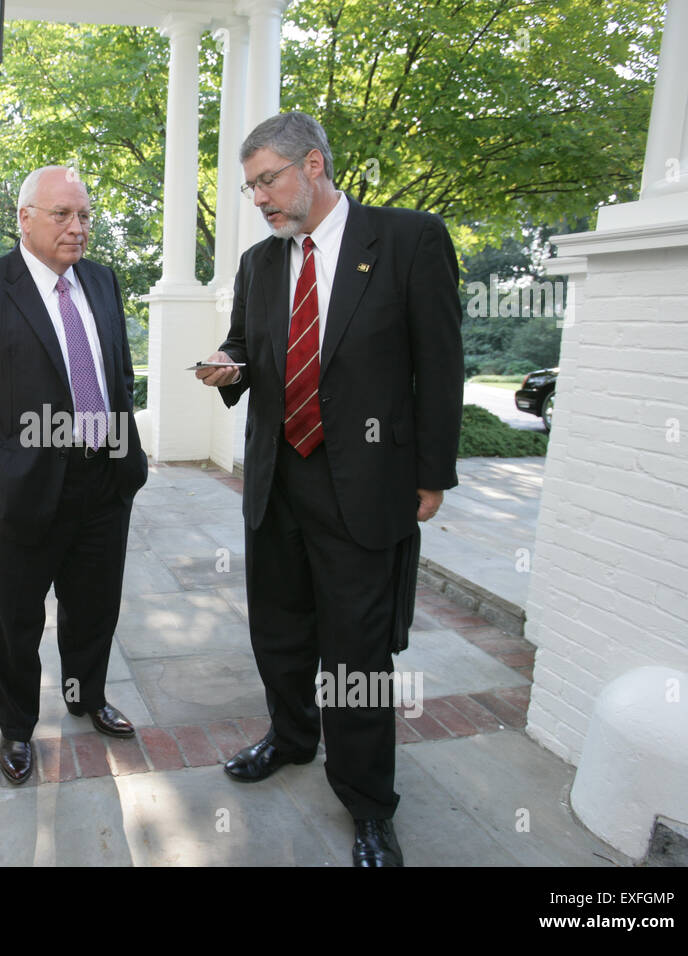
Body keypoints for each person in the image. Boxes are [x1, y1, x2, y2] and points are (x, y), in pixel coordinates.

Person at [196, 112, 463, 866]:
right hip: (278, 483)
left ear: (313, 165)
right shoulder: (259, 264)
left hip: (366, 486)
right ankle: (290, 736)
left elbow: (440, 366)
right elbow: (246, 351)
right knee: (279, 633)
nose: (259, 199)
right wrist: (226, 367)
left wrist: (433, 473)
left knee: (359, 658)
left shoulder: (408, 240)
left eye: (267, 181)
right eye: (251, 188)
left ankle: (369, 802)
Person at [0, 165, 149, 784]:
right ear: (24, 217)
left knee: (94, 608)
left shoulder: (104, 283)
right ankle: (17, 728)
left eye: (84, 215)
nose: (78, 228)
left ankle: (86, 698)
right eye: (63, 215)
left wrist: (126, 462)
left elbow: (119, 377)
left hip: (102, 485)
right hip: (19, 490)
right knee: (14, 620)